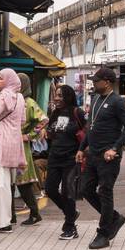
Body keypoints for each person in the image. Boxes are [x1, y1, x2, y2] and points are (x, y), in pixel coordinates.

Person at [76, 66, 125, 250]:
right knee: (85, 189)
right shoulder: (95, 99)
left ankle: (103, 234)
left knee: (105, 191)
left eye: (96, 80)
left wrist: (115, 148)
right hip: (92, 154)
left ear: (107, 82)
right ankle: (114, 218)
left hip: (108, 157)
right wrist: (81, 147)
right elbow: (90, 126)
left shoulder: (117, 102)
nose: (93, 83)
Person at [0, 68, 26, 231]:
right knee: (2, 182)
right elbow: (22, 120)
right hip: (13, 143)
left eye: (0, 78)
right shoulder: (20, 97)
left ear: (8, 80)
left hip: (0, 144)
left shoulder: (4, 96)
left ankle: (0, 222)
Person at [44, 84, 86, 240]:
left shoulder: (77, 113)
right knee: (50, 189)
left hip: (70, 158)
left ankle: (70, 227)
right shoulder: (55, 113)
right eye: (56, 95)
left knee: (68, 193)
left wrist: (81, 151)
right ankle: (71, 214)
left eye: (60, 95)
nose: (56, 98)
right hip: (55, 157)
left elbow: (87, 133)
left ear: (68, 97)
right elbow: (52, 133)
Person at [14, 71, 47, 225]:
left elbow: (43, 120)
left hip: (21, 146)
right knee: (13, 181)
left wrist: (29, 135)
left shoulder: (28, 102)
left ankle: (34, 213)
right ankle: (13, 215)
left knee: (22, 181)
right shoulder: (14, 100)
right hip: (12, 143)